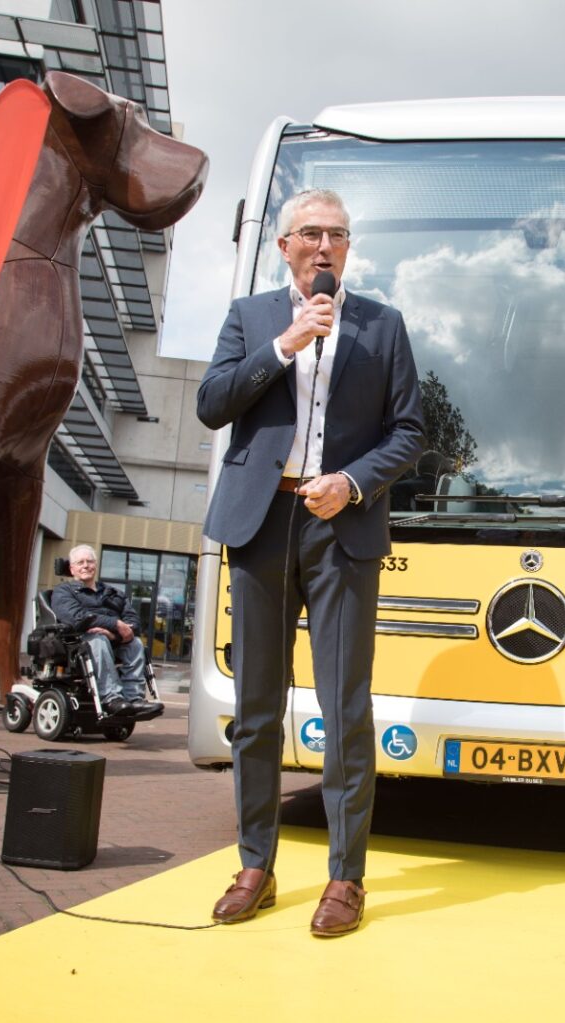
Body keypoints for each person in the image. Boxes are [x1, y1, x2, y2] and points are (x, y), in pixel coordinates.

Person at [196, 188, 423, 937]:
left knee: (345, 707)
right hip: (260, 523)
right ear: (286, 244)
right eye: (312, 233)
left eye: (339, 235)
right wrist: (285, 345)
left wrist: (352, 481)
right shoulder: (252, 317)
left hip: (341, 528)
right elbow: (212, 403)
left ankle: (345, 876)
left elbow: (408, 431)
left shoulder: (382, 326)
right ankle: (255, 863)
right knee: (257, 709)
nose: (326, 246)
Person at [50, 544, 158, 714]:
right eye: (80, 562)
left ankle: (134, 699)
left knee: (136, 643)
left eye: (89, 561)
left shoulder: (113, 593)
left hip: (113, 640)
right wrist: (115, 624)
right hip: (80, 641)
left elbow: (133, 621)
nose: (86, 565)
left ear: (95, 565)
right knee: (98, 641)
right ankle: (111, 697)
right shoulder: (63, 591)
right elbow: (78, 618)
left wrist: (114, 634)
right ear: (72, 569)